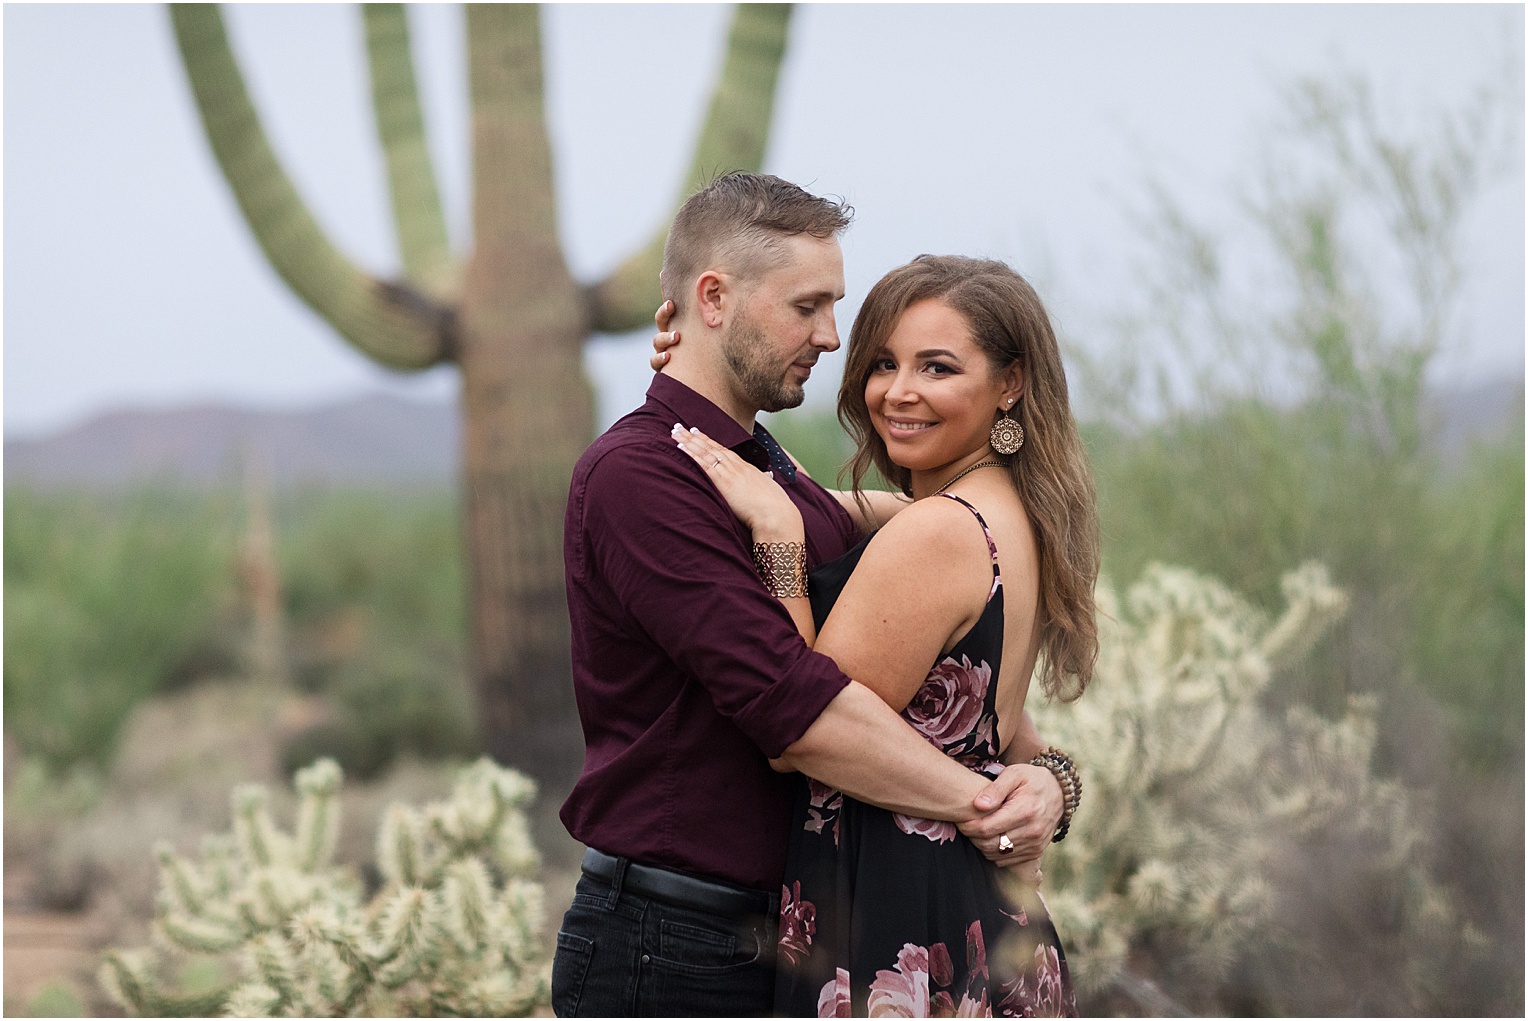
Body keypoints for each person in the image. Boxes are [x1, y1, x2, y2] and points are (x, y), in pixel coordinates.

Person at [553, 174, 1067, 1018]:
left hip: (794, 938)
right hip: (673, 944)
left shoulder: (763, 472)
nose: (833, 338)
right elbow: (799, 715)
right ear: (712, 297)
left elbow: (911, 536)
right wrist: (983, 805)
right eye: (808, 307)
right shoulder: (641, 479)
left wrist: (1048, 781)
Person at [659, 253, 1098, 1016]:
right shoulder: (1004, 516)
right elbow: (810, 492)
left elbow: (797, 720)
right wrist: (702, 371)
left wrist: (780, 543)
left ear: (1011, 383)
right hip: (980, 914)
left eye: (937, 367)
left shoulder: (937, 532)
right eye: (884, 364)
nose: (900, 392)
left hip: (904, 922)